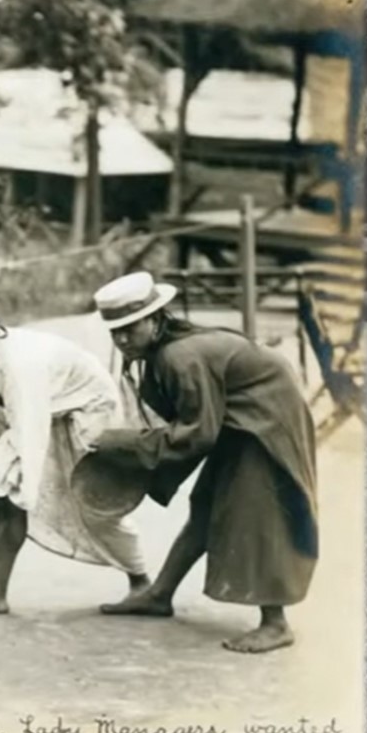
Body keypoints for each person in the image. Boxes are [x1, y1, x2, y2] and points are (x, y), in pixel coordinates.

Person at [88, 271, 319, 654]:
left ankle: (276, 624)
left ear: (155, 318)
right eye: (115, 331)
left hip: (266, 419)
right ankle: (159, 595)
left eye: (131, 327)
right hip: (240, 416)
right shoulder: (162, 352)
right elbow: (195, 427)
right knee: (206, 505)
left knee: (257, 512)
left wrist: (124, 444)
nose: (123, 338)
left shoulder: (180, 357)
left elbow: (196, 434)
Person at [0, 289, 150, 617]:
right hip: (43, 412)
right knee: (7, 490)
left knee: (92, 499)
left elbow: (28, 433)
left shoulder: (16, 361)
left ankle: (143, 584)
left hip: (87, 406)